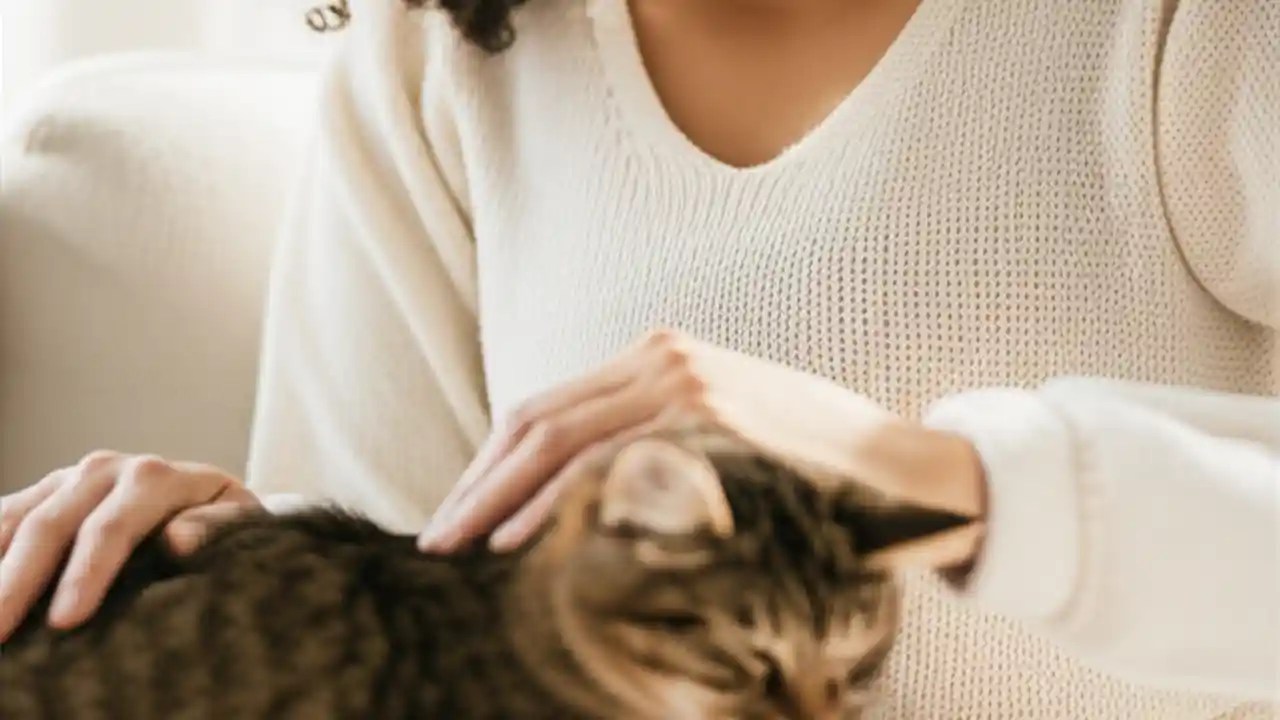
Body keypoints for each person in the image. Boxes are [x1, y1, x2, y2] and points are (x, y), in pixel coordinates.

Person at [0, 0, 1276, 715]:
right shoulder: (435, 65)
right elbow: (425, 584)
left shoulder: (1185, 30)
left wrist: (927, 474)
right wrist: (236, 550)